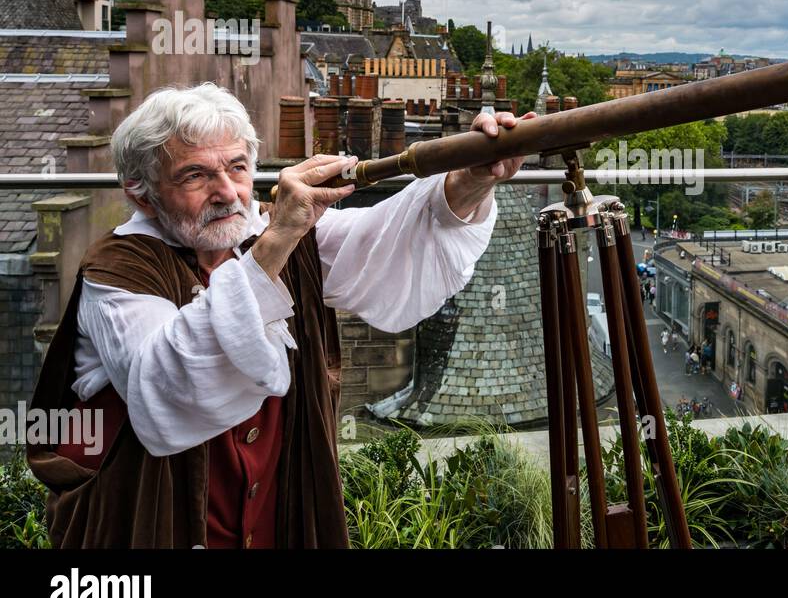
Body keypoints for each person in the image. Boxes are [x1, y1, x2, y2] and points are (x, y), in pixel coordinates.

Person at [26, 84, 532, 548]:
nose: (227, 192)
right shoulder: (116, 271)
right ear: (142, 192)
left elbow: (384, 247)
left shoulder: (268, 231)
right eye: (196, 175)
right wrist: (278, 241)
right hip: (152, 527)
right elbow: (167, 388)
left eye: (238, 167)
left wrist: (468, 181)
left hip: (274, 522)